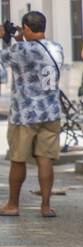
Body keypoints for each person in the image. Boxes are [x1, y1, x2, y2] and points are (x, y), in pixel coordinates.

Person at [1, 11, 64, 218]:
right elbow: (33, 53)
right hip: (51, 113)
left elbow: (5, 58)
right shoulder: (57, 48)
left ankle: (12, 205)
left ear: (26, 28)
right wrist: (20, 39)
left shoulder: (20, 49)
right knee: (45, 159)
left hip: (24, 115)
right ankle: (46, 206)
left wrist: (5, 38)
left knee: (18, 159)